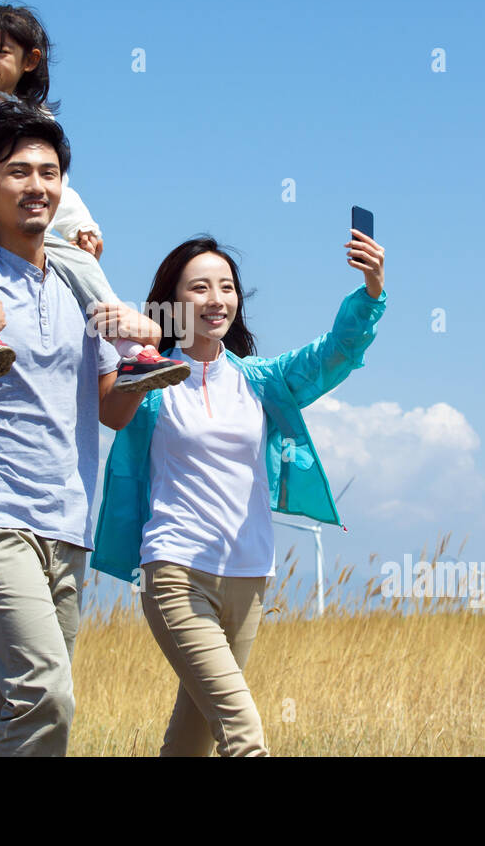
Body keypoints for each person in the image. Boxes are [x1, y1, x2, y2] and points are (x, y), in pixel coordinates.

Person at [0, 102, 153, 756]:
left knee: (16, 706)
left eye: (49, 172)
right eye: (18, 172)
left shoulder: (85, 290)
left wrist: (146, 371)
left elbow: (111, 410)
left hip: (69, 524)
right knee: (46, 693)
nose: (36, 185)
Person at [91, 231, 388, 756]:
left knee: (193, 738)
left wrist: (370, 291)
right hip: (176, 570)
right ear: (172, 303)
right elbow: (109, 396)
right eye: (199, 287)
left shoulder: (263, 380)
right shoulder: (150, 375)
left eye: (227, 287)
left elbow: (333, 354)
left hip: (250, 577)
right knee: (243, 734)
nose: (216, 299)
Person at [0, 1, 187, 392]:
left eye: (0, 52)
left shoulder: (39, 119)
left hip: (26, 229)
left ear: (30, 60)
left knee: (81, 264)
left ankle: (130, 350)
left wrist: (81, 227)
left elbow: (56, 184)